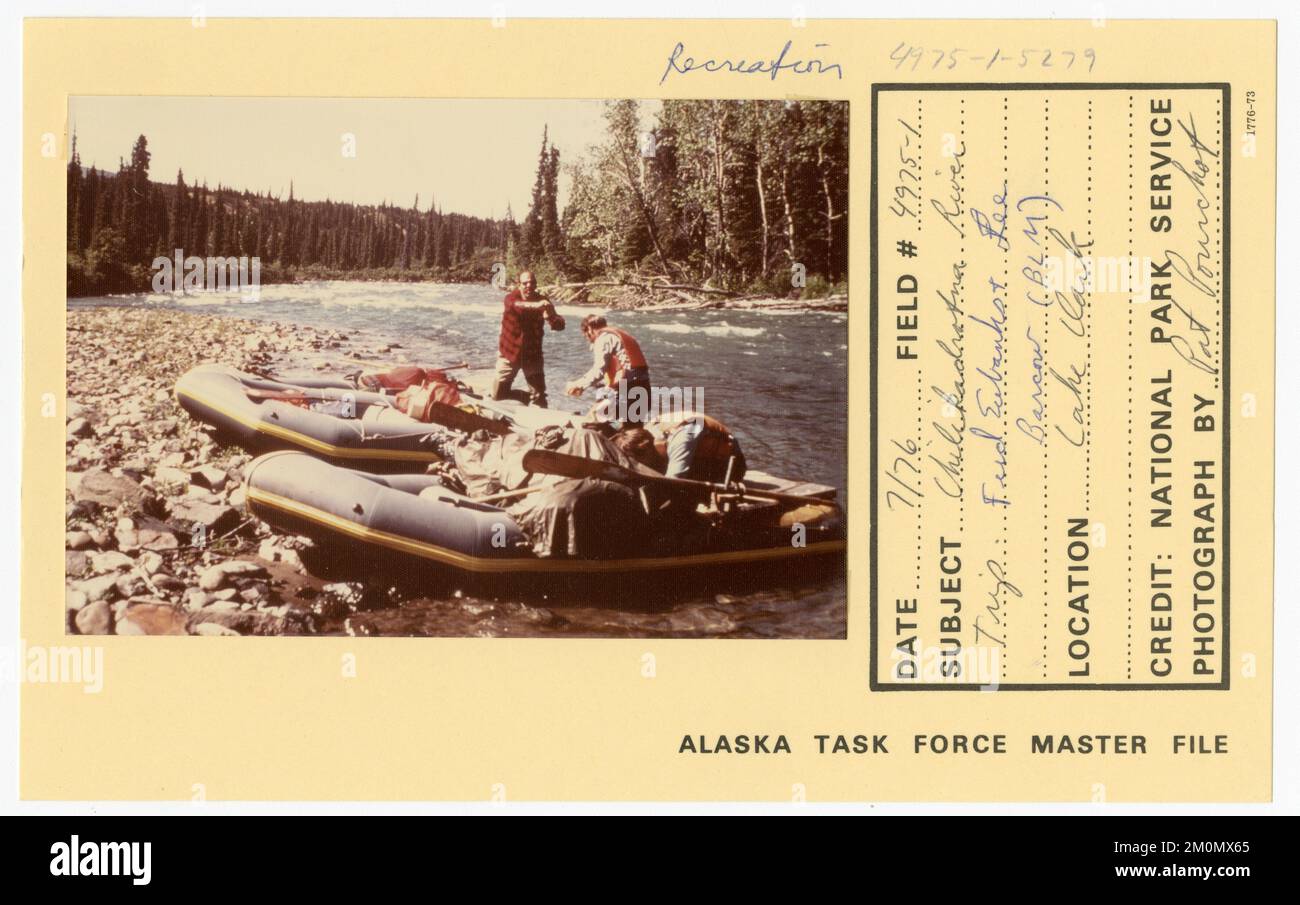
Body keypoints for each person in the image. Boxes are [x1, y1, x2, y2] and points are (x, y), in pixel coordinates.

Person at [492, 270, 565, 407]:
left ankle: (537, 407)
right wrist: (537, 306)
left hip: (532, 355)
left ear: (536, 285)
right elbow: (519, 305)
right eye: (525, 283)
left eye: (532, 283)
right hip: (509, 353)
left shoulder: (543, 301)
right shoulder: (511, 298)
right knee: (497, 396)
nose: (529, 286)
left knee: (539, 396)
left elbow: (559, 325)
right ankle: (523, 398)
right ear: (519, 285)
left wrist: (551, 317)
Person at [613, 412, 747, 484]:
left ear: (646, 449)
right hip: (696, 457)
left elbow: (674, 482)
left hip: (729, 465)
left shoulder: (682, 439)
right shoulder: (648, 431)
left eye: (639, 462)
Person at [564, 315, 651, 424]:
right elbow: (618, 370)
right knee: (633, 431)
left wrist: (579, 384)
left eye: (586, 336)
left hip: (627, 390)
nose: (589, 340)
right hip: (643, 388)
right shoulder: (619, 336)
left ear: (589, 329)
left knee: (593, 422)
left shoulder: (603, 338)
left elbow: (599, 370)